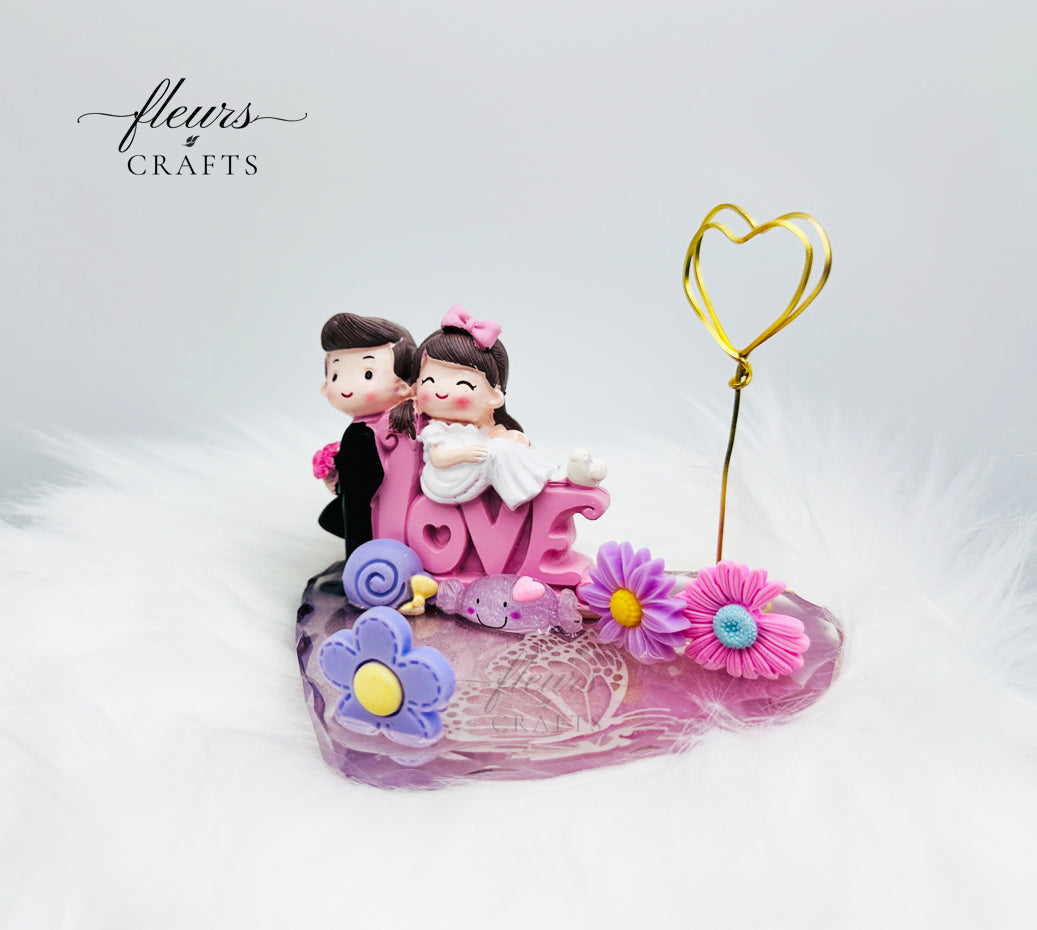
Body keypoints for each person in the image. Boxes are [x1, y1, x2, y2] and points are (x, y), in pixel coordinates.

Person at [411, 307, 557, 510]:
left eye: (463, 384)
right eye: (429, 380)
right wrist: (464, 454)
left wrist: (508, 436)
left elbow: (489, 438)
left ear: (495, 398)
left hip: (468, 469)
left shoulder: (479, 427)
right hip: (444, 479)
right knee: (498, 450)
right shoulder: (436, 429)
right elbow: (437, 458)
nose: (441, 391)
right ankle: (525, 497)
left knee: (503, 445)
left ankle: (551, 479)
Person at [317, 313, 416, 556]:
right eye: (336, 375)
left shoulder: (367, 432)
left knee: (352, 526)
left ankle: (358, 562)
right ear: (325, 386)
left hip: (375, 509)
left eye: (368, 374)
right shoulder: (362, 430)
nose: (347, 387)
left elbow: (361, 485)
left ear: (404, 385)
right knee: (332, 517)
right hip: (377, 507)